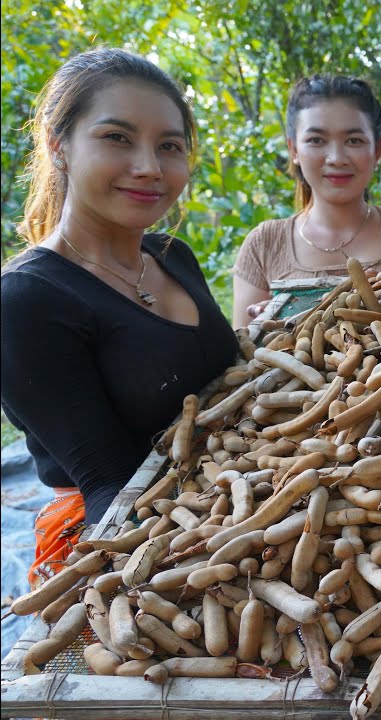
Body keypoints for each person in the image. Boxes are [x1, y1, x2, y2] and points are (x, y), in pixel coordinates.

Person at [0, 48, 239, 587]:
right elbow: (110, 485)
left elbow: (223, 379)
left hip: (237, 500)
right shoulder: (25, 301)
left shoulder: (171, 256)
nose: (149, 167)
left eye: (169, 146)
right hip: (129, 555)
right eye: (117, 138)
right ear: (58, 146)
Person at [233, 75, 381, 327]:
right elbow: (246, 357)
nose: (336, 158)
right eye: (316, 140)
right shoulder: (264, 244)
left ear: (377, 150)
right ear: (294, 150)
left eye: (353, 140)